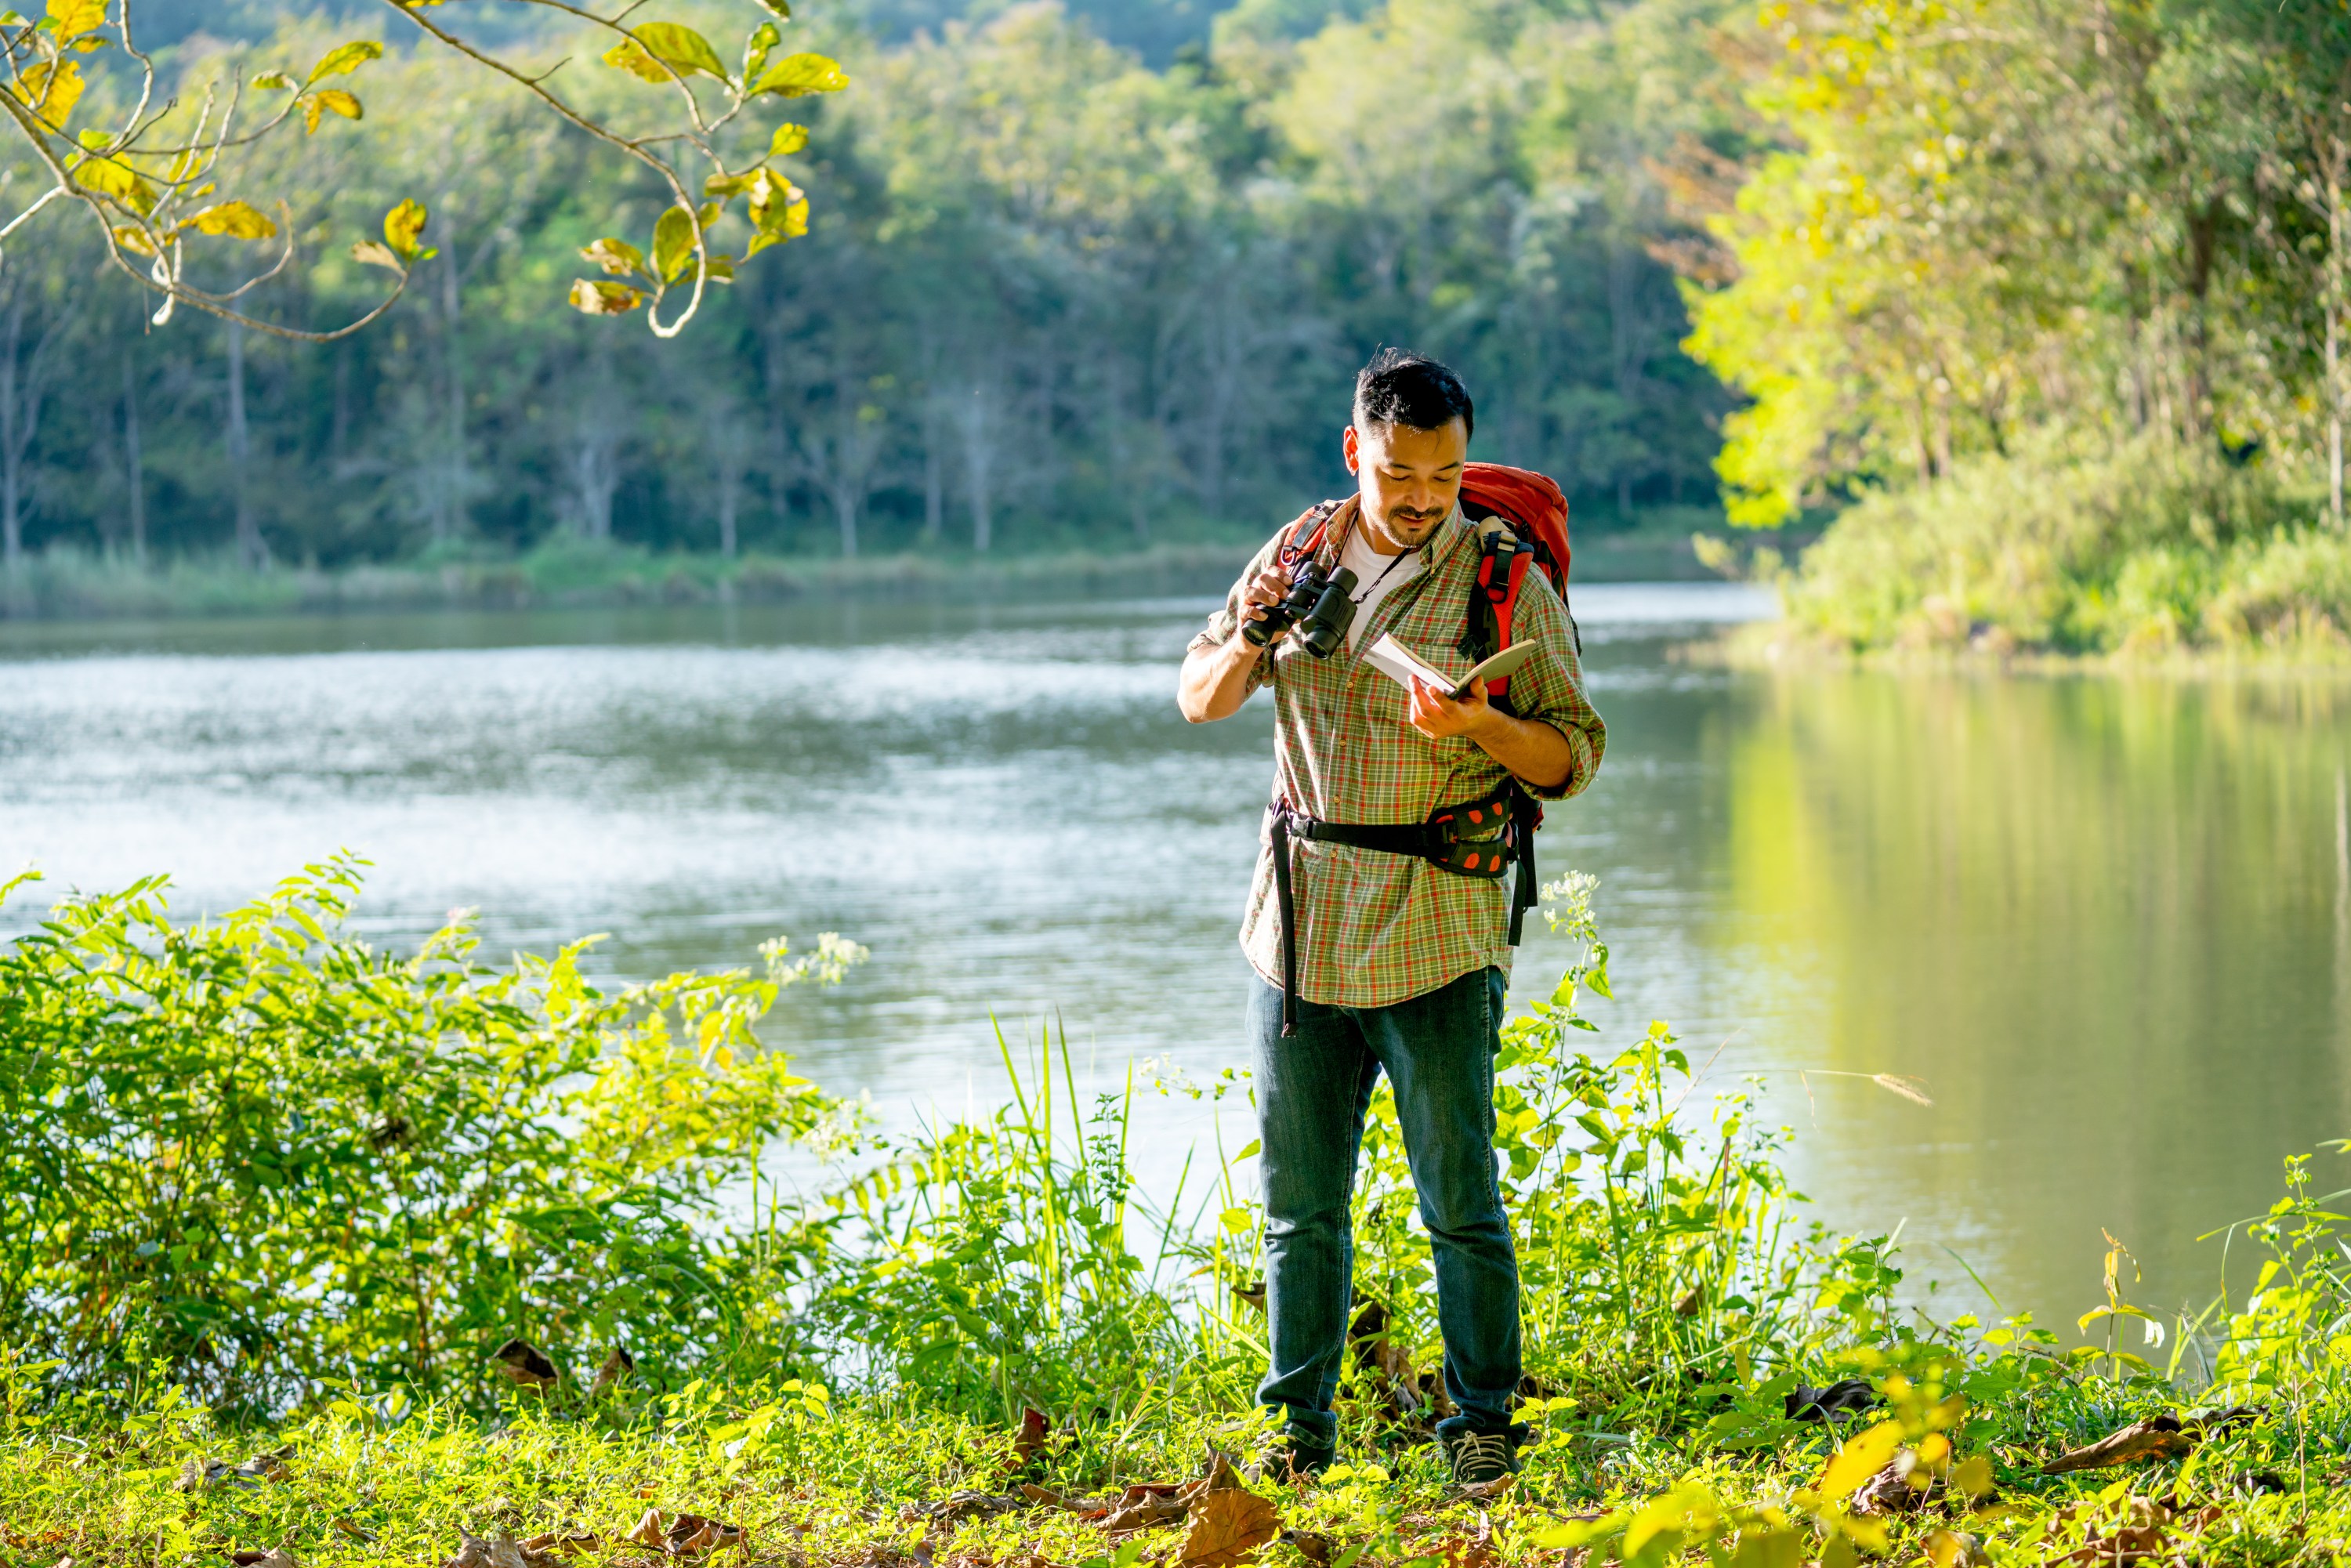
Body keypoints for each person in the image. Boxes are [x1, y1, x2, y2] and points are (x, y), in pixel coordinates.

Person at [1176, 349, 1606, 1487]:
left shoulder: (1501, 573)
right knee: (1297, 1215)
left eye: (1447, 474)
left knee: (1460, 1205)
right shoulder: (1300, 551)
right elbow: (1198, 696)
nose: (1425, 499)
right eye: (1403, 474)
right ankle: (1296, 1440)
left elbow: (1572, 756)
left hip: (1437, 924)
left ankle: (1482, 1429)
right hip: (1302, 928)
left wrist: (1480, 731)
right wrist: (1253, 634)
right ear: (1355, 450)